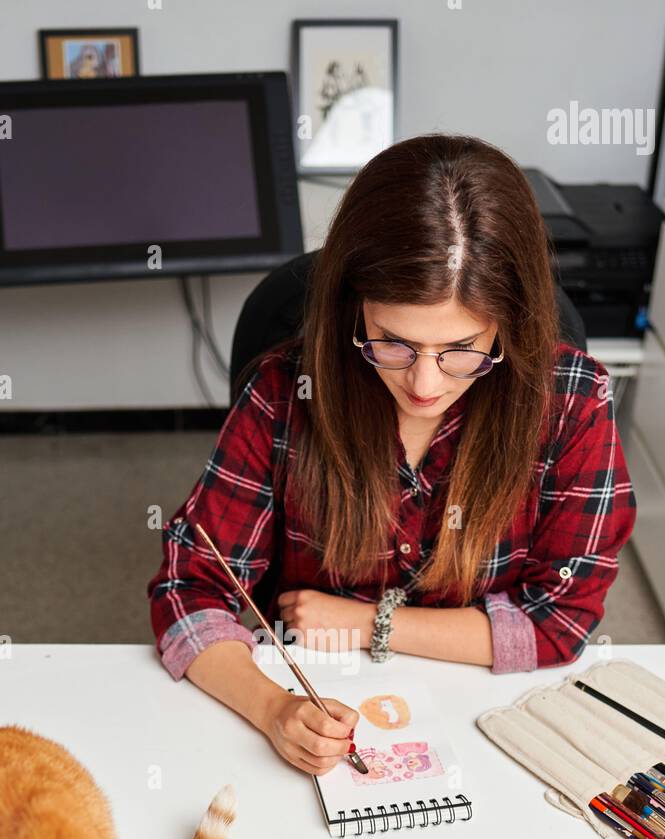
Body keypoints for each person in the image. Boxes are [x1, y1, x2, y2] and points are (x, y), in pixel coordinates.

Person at [148, 134, 635, 775]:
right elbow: (190, 587)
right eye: (394, 342)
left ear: (510, 324)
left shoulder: (570, 399)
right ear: (355, 308)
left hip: (489, 710)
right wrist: (272, 710)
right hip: (320, 688)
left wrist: (367, 622)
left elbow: (561, 620)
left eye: (463, 348)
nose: (426, 384)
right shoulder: (284, 390)